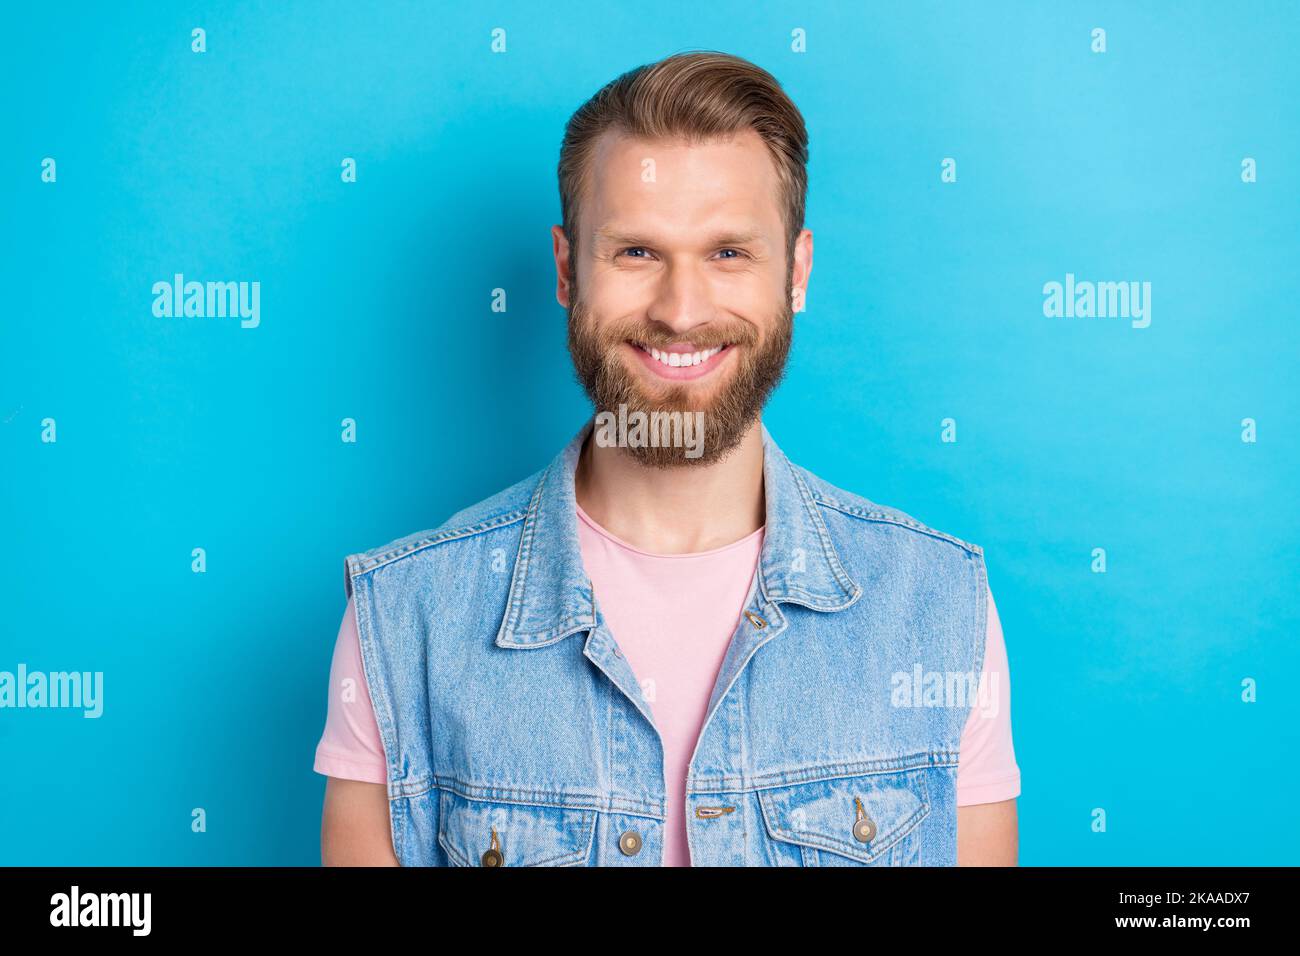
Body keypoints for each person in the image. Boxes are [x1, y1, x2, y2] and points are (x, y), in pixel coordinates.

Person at [315, 50, 1019, 866]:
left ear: (796, 273)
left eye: (728, 253)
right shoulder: (406, 622)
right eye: (637, 253)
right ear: (566, 270)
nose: (681, 312)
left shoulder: (937, 607)